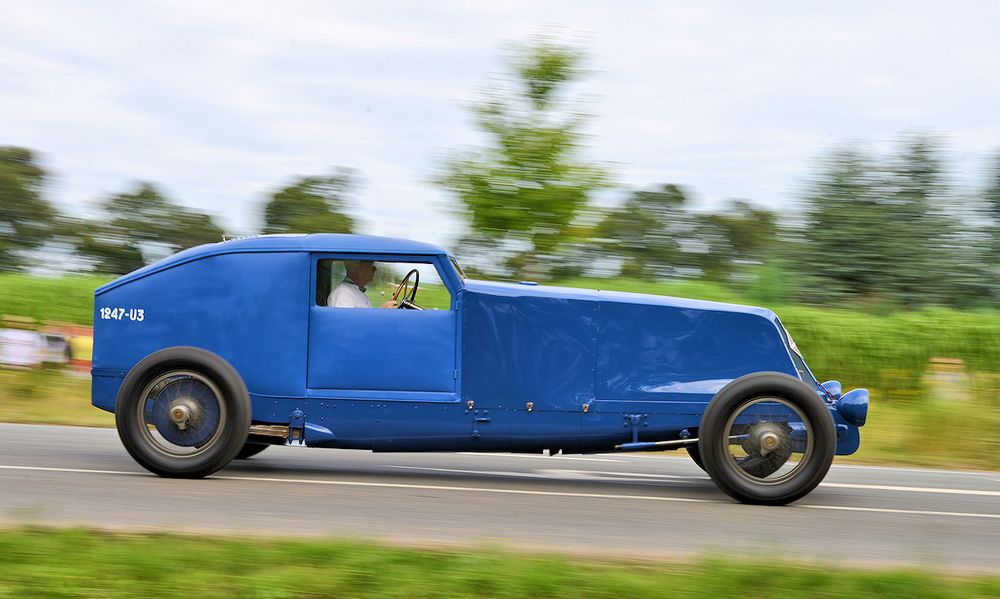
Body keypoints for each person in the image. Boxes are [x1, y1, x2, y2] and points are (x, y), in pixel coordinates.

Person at [327, 260, 397, 308]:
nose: (375, 269)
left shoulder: (356, 290)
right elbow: (346, 325)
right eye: (370, 264)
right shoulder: (343, 293)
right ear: (354, 267)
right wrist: (382, 311)